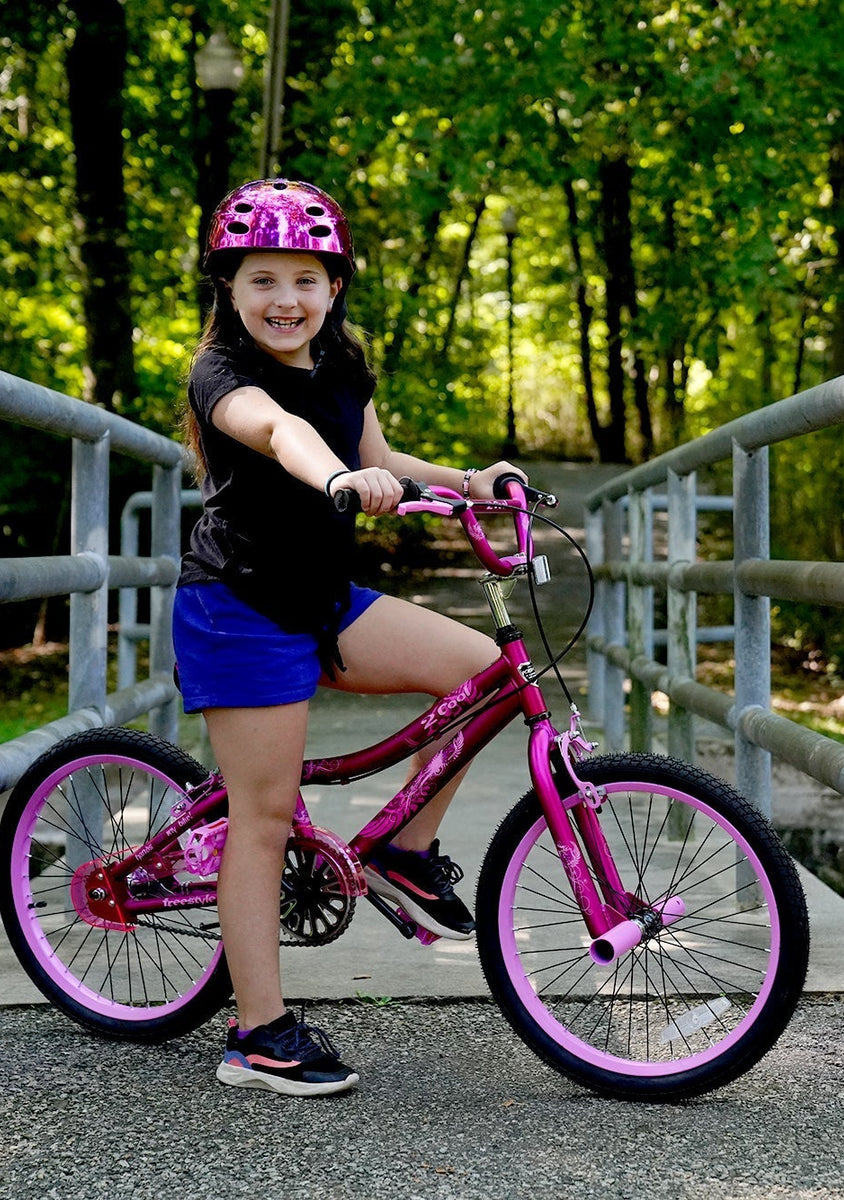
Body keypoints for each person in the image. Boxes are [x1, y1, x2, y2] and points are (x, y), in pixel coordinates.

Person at [173, 178, 524, 1096]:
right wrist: (334, 481)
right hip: (240, 606)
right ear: (229, 288)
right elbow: (279, 432)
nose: (284, 299)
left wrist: (471, 481)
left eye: (305, 279)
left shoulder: (345, 364)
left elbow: (382, 462)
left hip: (327, 600)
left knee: (482, 672)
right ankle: (258, 1037)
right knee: (265, 819)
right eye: (260, 280)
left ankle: (406, 850)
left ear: (335, 288)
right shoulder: (222, 375)